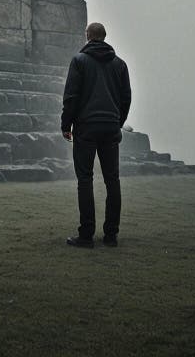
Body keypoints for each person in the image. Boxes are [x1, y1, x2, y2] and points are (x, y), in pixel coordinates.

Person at [61, 22, 132, 248]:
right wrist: (116, 122)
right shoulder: (120, 64)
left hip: (86, 127)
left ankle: (86, 235)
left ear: (88, 36)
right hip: (110, 127)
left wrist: (66, 124)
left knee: (85, 180)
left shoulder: (79, 61)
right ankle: (111, 235)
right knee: (113, 180)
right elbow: (125, 99)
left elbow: (71, 96)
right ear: (104, 37)